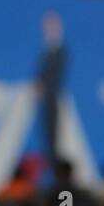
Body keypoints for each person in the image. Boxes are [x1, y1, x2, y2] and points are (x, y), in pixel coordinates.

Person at [35, 11, 67, 164]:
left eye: (50, 25)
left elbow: (57, 74)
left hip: (53, 99)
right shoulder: (45, 50)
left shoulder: (61, 50)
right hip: (45, 101)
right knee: (46, 139)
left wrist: (46, 87)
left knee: (55, 139)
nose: (47, 28)